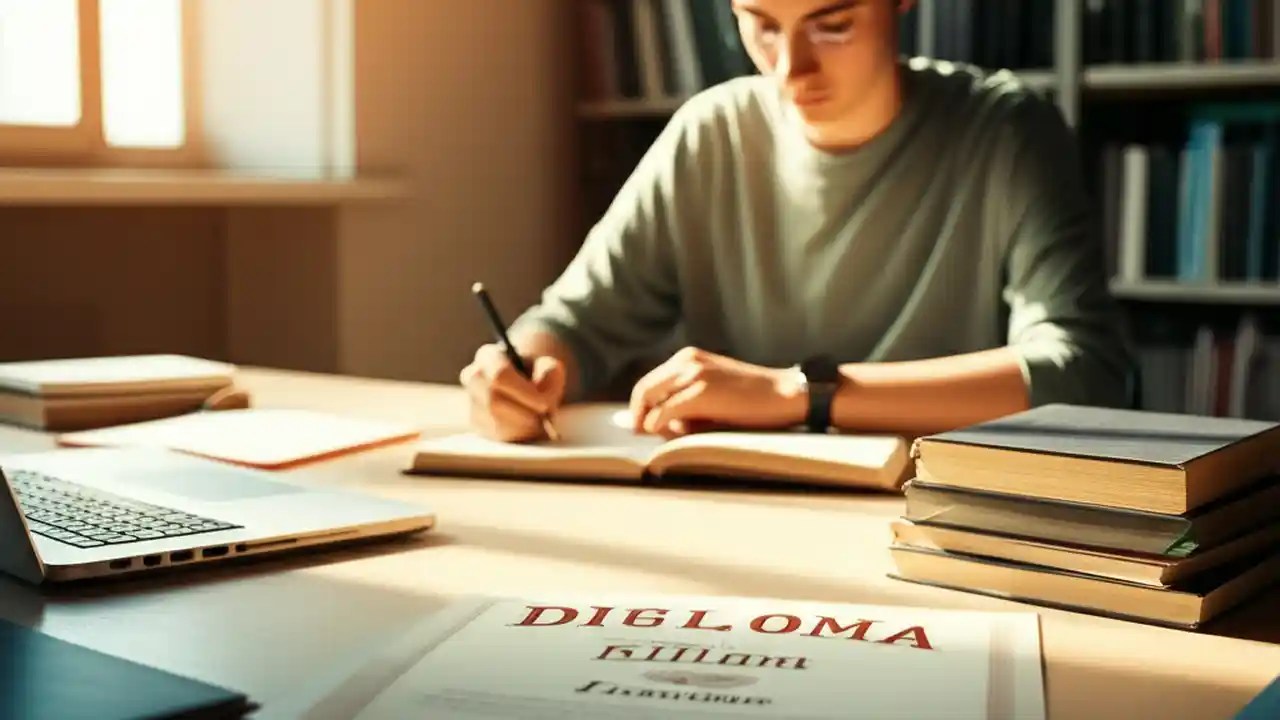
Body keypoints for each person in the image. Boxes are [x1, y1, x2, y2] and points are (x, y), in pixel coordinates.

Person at [460, 0, 1133, 443]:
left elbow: (1082, 372)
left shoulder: (1006, 131)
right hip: (745, 520)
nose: (790, 69)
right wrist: (519, 371)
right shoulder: (711, 134)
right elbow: (577, 322)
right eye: (761, 24)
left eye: (831, 24)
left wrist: (797, 394)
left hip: (944, 519)